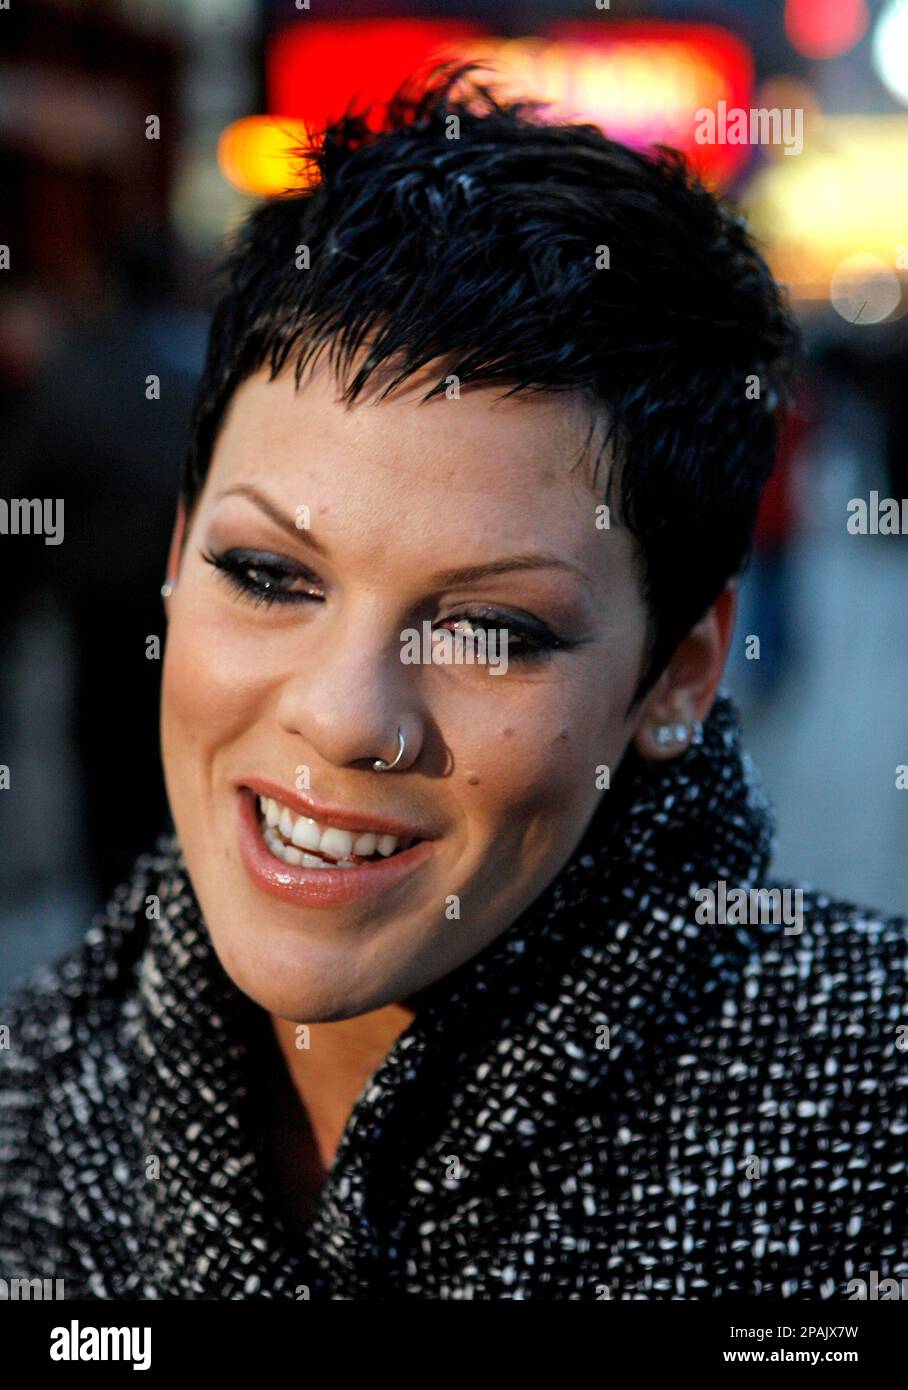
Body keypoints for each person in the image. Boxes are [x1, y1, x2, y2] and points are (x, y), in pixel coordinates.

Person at [1, 64, 905, 1301]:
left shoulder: (868, 1128)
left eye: (488, 628)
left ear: (677, 676)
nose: (341, 712)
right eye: (267, 573)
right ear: (177, 556)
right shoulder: (28, 1096)